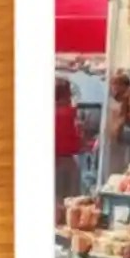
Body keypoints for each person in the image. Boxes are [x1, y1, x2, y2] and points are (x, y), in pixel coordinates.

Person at [54, 78, 83, 222]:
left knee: (56, 199)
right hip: (69, 160)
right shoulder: (72, 113)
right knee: (71, 201)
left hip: (56, 160)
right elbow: (79, 137)